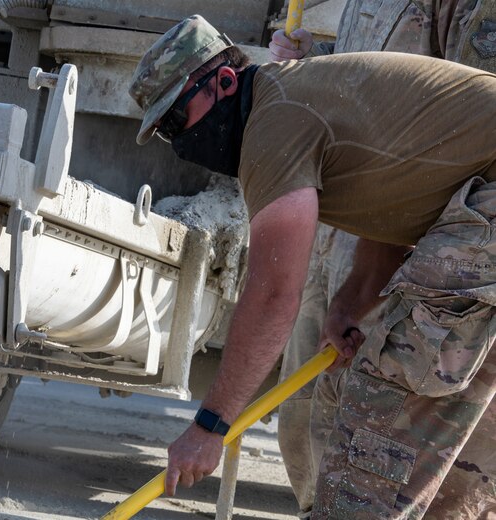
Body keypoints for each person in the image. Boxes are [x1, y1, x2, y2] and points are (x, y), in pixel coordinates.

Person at [128, 14, 496, 518]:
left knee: (382, 405)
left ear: (225, 81)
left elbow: (275, 294)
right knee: (442, 424)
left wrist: (210, 427)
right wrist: (352, 301)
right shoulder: (295, 100)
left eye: (176, 120)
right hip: (480, 198)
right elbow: (396, 200)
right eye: (165, 132)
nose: (179, 140)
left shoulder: (272, 122)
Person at [266, 1, 496, 517]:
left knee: (404, 482)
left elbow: (472, 135)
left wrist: (368, 284)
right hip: (346, 251)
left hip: (430, 282)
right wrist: (314, 67)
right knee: (312, 440)